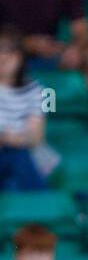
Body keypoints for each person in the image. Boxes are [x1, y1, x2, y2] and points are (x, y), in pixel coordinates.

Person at [0, 25, 56, 191]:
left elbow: (36, 138)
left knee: (17, 157)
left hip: (25, 158)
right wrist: (14, 138)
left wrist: (5, 139)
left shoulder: (41, 90)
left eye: (10, 51)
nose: (3, 57)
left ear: (20, 56)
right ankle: (45, 205)